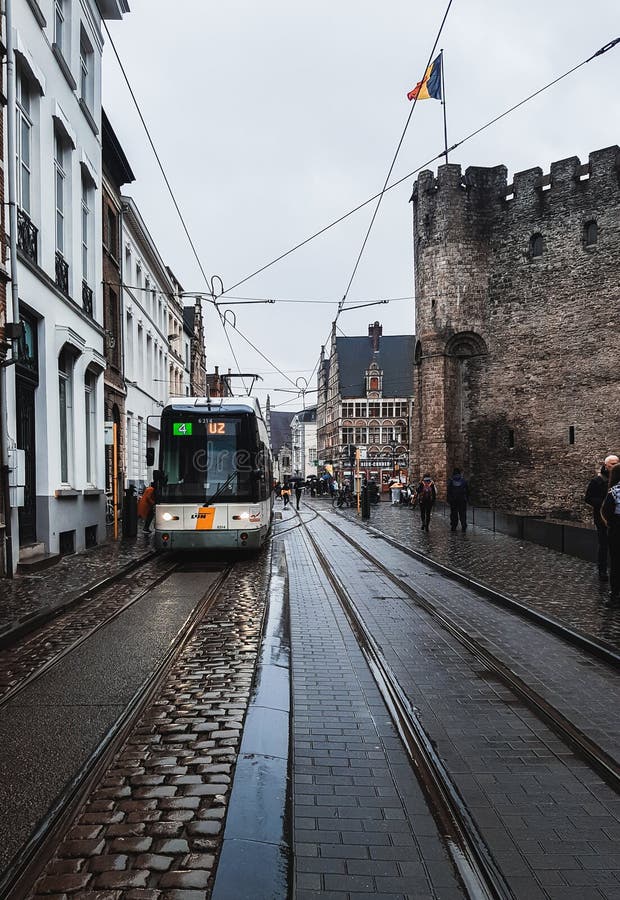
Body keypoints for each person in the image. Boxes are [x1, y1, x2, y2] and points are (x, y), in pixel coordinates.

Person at [585, 454, 619, 581]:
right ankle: (602, 571)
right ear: (606, 465)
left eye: (617, 463)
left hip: (616, 518)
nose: (615, 466)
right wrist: (604, 503)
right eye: (612, 464)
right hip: (602, 518)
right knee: (604, 545)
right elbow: (588, 498)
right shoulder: (597, 481)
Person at [601, 463, 620, 602]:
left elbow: (606, 511)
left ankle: (615, 594)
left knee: (616, 563)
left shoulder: (614, 491)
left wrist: (611, 523)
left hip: (617, 530)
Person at [447, 467, 469, 532]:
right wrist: (467, 498)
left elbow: (449, 491)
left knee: (454, 513)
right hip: (462, 500)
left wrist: (449, 499)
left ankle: (454, 526)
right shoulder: (464, 481)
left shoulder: (451, 481)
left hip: (453, 500)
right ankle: (463, 525)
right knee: (462, 513)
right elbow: (468, 491)